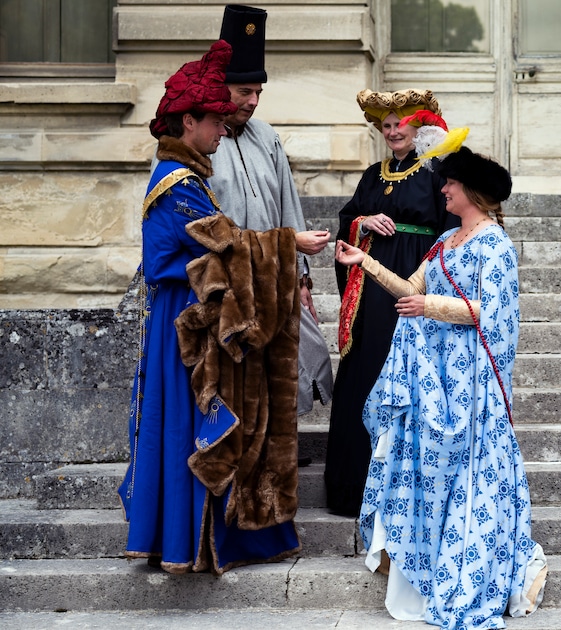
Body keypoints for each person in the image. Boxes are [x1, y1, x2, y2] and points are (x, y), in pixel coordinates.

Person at [334, 146, 546, 628]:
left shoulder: (495, 245)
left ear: (470, 192)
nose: (442, 189)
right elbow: (411, 288)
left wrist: (430, 307)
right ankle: (427, 563)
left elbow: (487, 314)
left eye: (449, 183)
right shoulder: (446, 239)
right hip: (433, 375)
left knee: (467, 467)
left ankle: (467, 566)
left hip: (470, 379)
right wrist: (362, 264)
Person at [119, 39, 301, 574]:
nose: (224, 130)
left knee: (186, 427)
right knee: (187, 427)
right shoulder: (180, 184)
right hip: (186, 327)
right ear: (189, 120)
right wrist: (291, 245)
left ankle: (185, 539)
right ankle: (188, 542)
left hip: (186, 317)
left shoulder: (187, 177)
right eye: (216, 121)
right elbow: (226, 244)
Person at [325, 88, 461, 516]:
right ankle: (354, 487)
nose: (391, 132)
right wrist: (362, 221)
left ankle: (404, 490)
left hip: (413, 281)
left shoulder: (438, 173)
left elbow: (451, 231)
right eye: (384, 125)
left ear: (417, 126)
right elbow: (347, 219)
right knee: (365, 367)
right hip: (369, 285)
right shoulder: (371, 174)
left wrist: (433, 287)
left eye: (399, 124)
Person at [207, 4, 333, 416]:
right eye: (245, 92)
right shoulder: (196, 140)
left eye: (259, 92)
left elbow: (288, 210)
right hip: (225, 287)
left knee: (284, 378)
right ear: (221, 87)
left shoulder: (267, 137)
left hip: (274, 281)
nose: (255, 101)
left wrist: (301, 280)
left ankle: (277, 463)